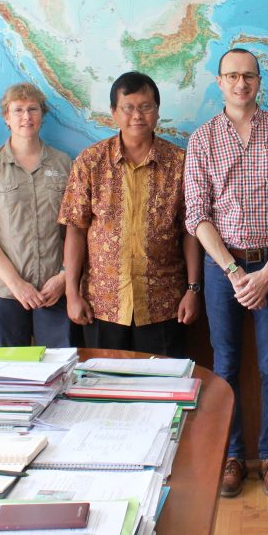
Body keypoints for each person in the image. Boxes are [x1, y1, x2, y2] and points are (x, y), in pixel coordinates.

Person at [183, 48, 268, 499]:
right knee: (226, 365)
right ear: (219, 82)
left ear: (259, 81)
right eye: (232, 76)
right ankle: (233, 455)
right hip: (223, 269)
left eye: (248, 76)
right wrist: (234, 271)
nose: (241, 84)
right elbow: (196, 214)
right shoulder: (202, 139)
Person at [59, 72, 200, 357]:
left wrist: (193, 289)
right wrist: (72, 294)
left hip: (163, 304)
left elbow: (191, 230)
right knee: (105, 392)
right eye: (128, 107)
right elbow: (75, 229)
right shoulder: (90, 162)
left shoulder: (180, 163)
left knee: (161, 392)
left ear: (157, 111)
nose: (137, 115)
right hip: (102, 304)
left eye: (146, 107)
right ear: (114, 112)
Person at [0, 83, 74, 347]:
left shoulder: (65, 164)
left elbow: (76, 228)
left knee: (60, 372)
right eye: (18, 110)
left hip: (54, 291)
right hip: (2, 292)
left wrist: (64, 277)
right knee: (9, 376)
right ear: (6, 117)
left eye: (32, 109)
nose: (26, 117)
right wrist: (16, 284)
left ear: (42, 115)